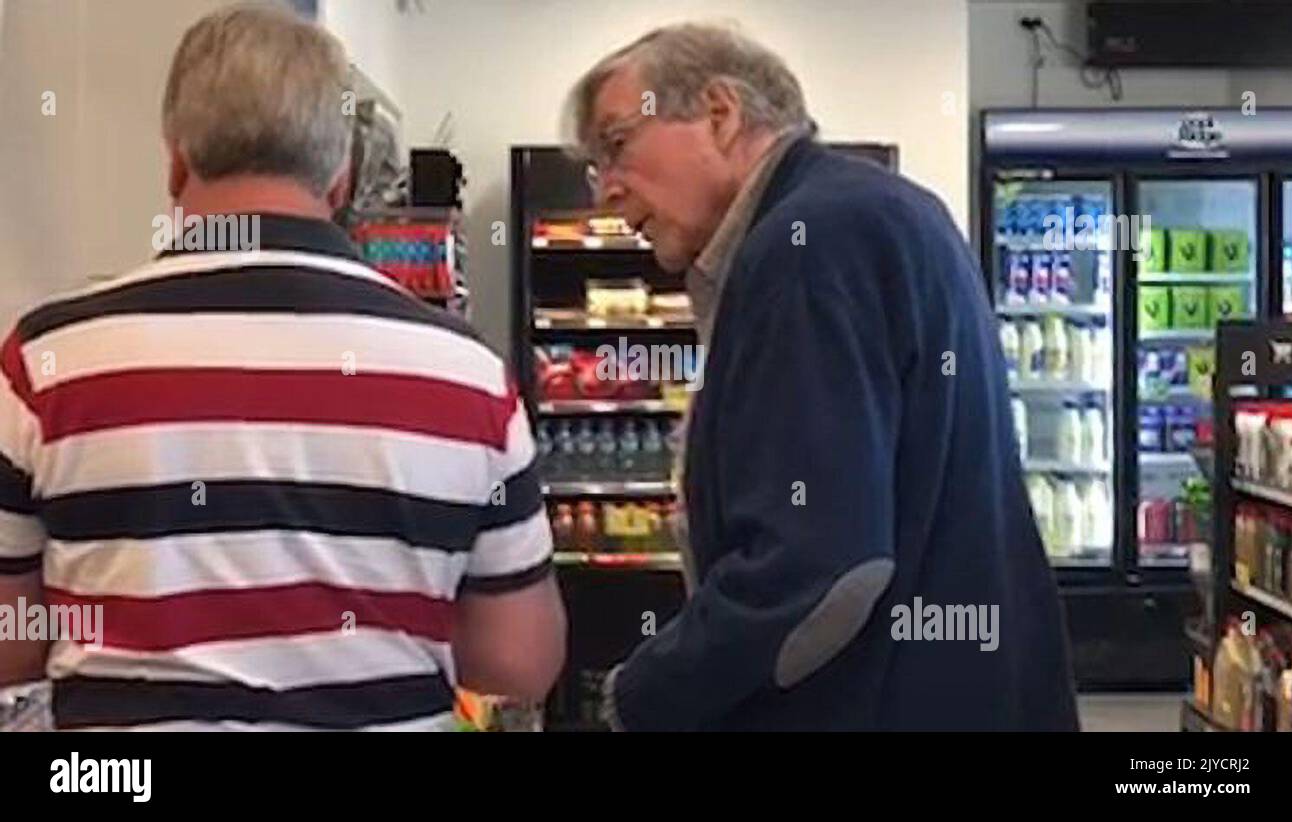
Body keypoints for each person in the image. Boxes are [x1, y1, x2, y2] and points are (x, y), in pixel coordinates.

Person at [0, 5, 565, 730]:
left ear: (176, 159)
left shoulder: (46, 360)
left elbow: (11, 647)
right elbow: (520, 660)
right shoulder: (467, 376)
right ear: (342, 175)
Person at [566, 23, 1079, 731]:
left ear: (720, 114)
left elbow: (817, 573)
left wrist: (636, 696)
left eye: (616, 146)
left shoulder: (805, 247)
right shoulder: (882, 210)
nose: (606, 194)